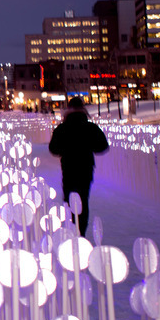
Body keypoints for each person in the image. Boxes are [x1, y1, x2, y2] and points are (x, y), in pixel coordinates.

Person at [48, 96, 109, 237]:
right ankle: (81, 232)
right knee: (83, 198)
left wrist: (65, 149)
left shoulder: (62, 128)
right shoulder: (90, 128)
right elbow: (103, 146)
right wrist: (88, 146)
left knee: (69, 198)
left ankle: (71, 229)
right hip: (85, 168)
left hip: (68, 168)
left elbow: (53, 149)